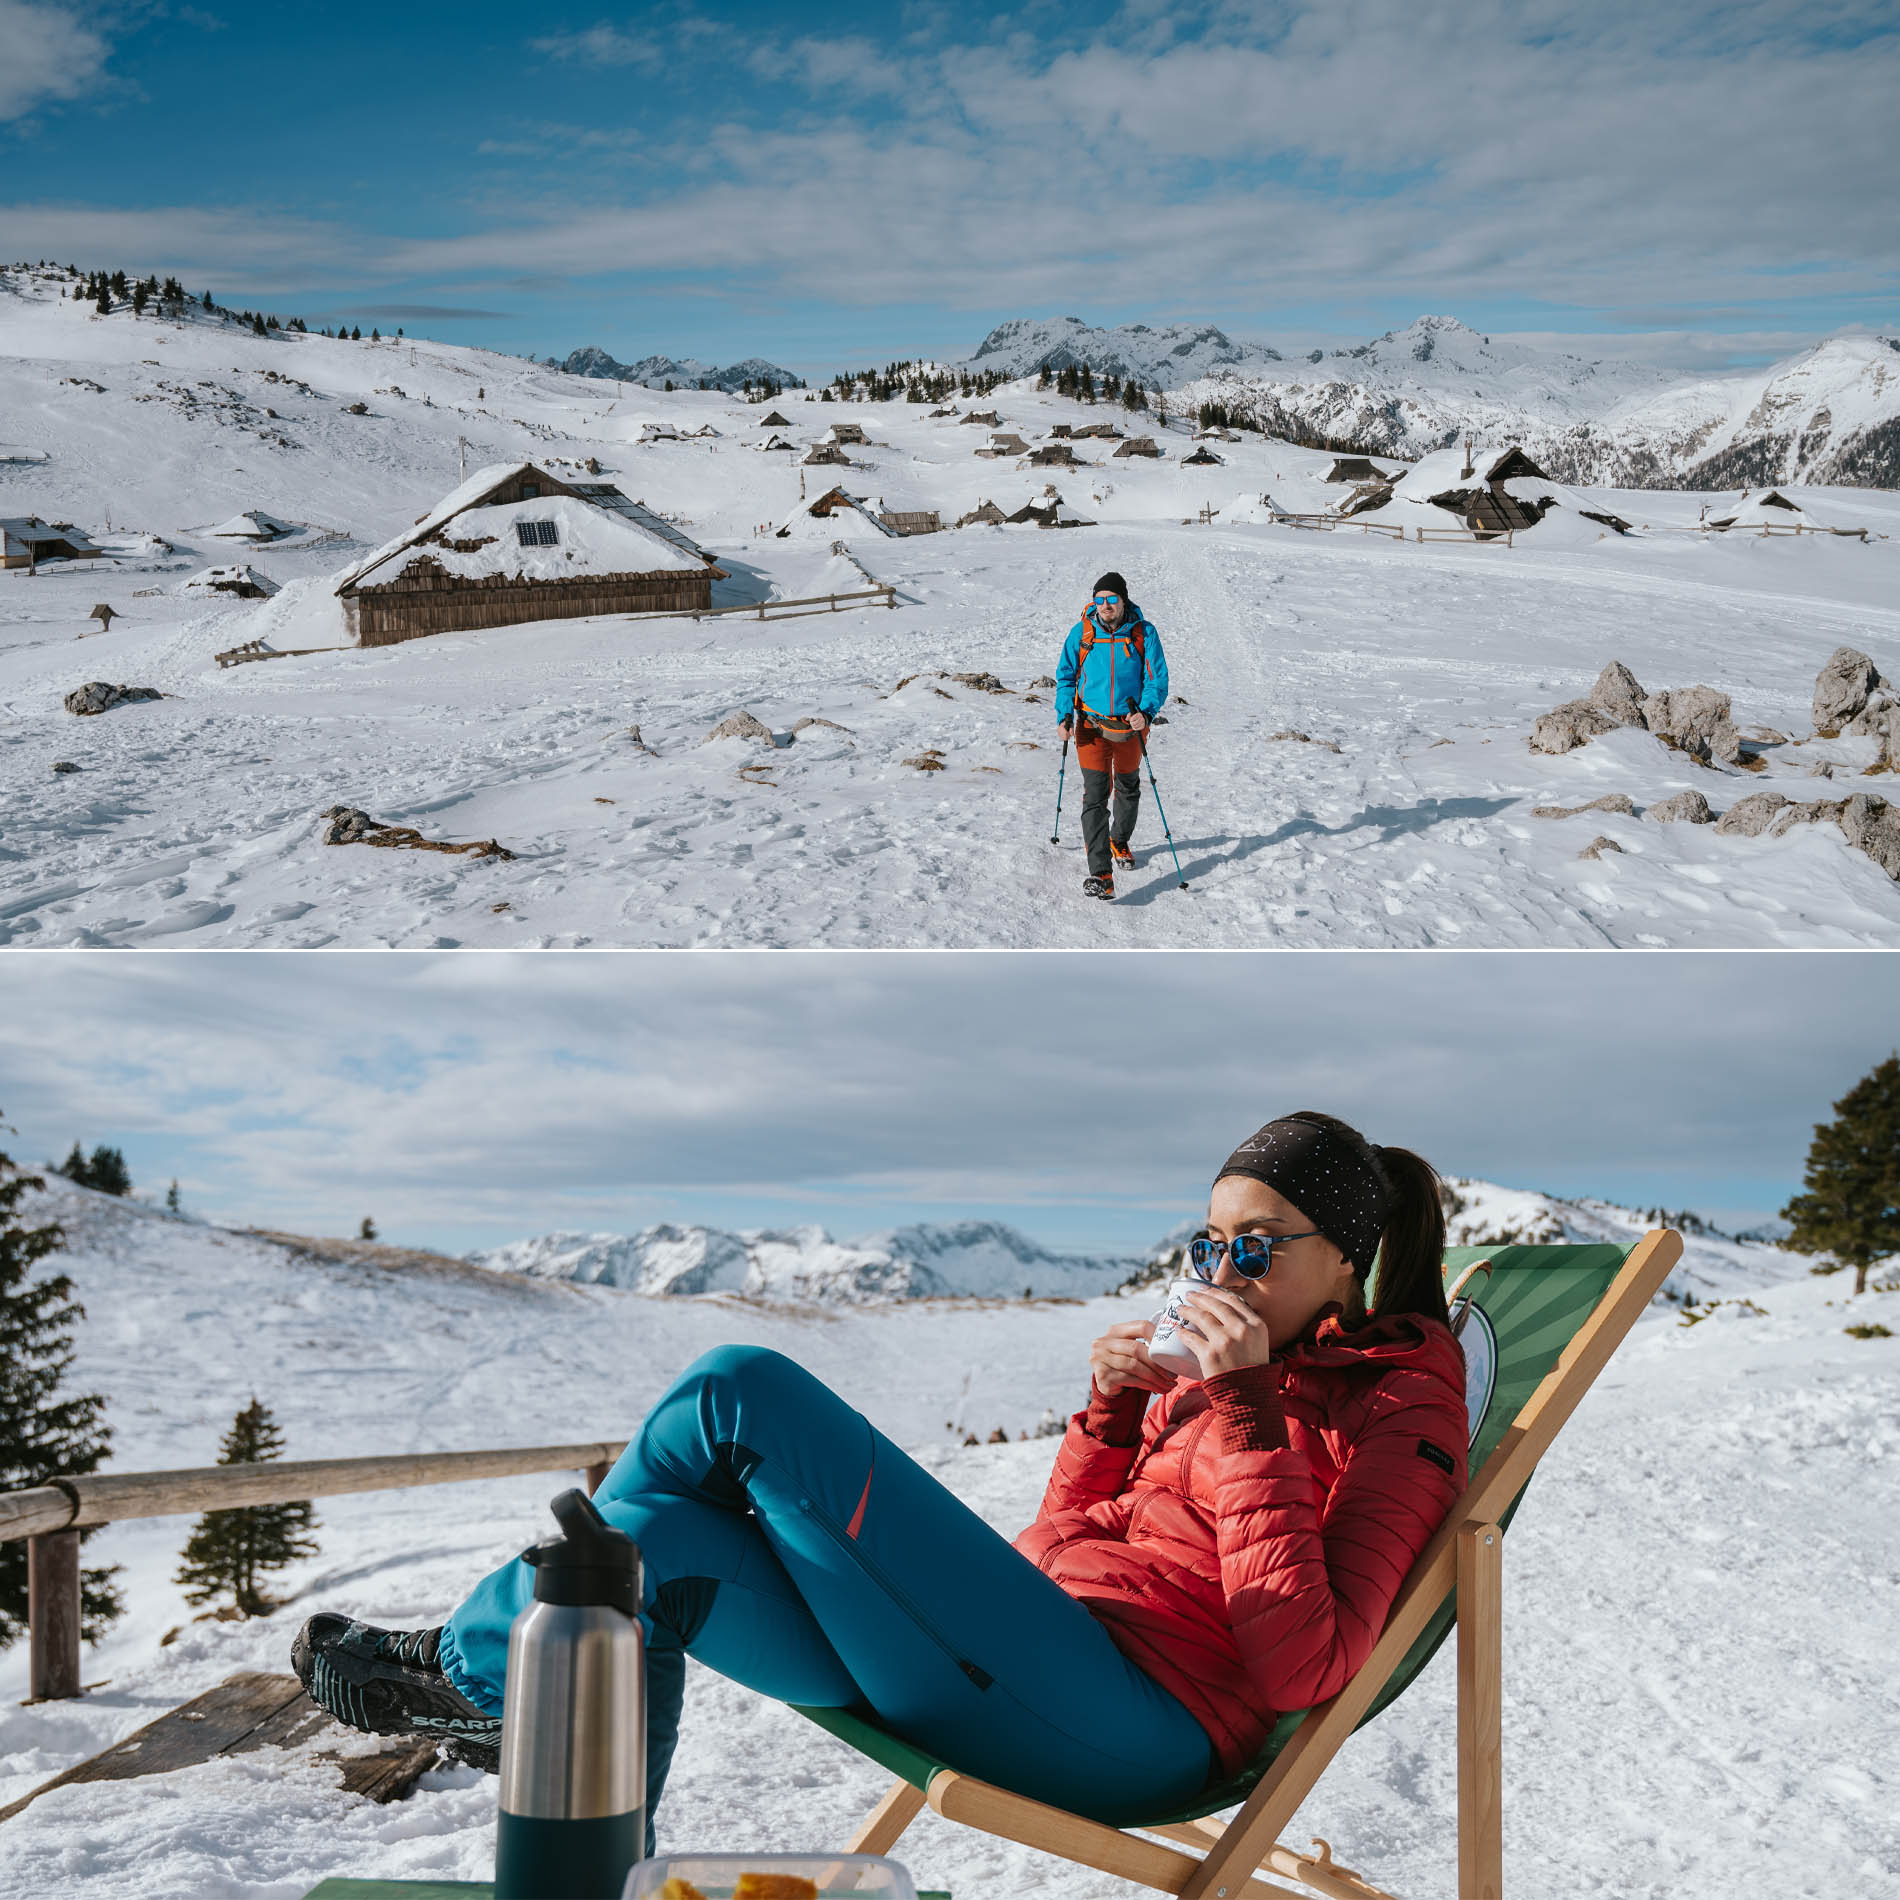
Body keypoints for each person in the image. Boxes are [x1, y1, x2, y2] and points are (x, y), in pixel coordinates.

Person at [292, 1111, 1468, 1851]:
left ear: (1349, 1267)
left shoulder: (1396, 1405)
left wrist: (1249, 1407)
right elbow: (1056, 1547)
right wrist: (1115, 1410)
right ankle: (569, 1802)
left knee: (737, 1385)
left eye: (1253, 1246)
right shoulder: (1222, 1374)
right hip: (1039, 1655)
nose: (1218, 1269)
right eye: (1205, 1244)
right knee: (652, 1538)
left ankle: (475, 1671)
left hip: (1136, 1724)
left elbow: (1304, 1664)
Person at [1054, 572, 1169, 900]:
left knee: (1128, 787)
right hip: (1090, 726)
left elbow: (1157, 679)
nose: (1106, 606)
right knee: (1095, 795)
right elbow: (1065, 676)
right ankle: (1101, 873)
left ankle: (1119, 840)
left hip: (1130, 727)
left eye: (1112, 599)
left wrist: (1145, 712)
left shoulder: (1143, 633)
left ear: (1123, 600)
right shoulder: (1082, 632)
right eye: (1100, 600)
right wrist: (1063, 714)